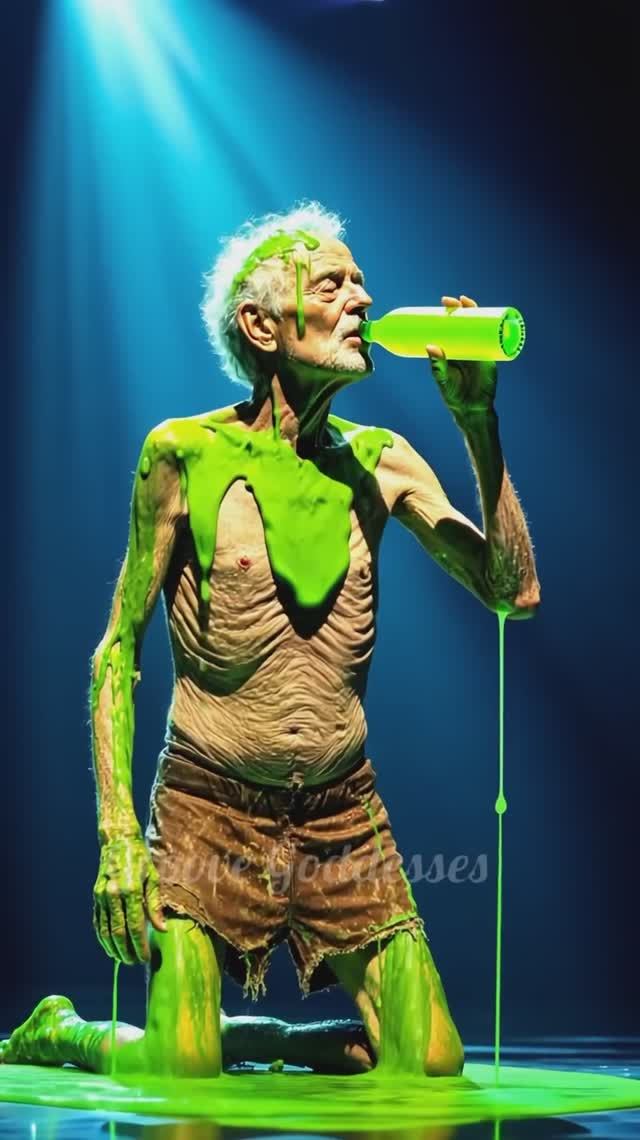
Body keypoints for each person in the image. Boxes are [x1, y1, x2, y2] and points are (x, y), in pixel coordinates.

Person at [0, 202, 540, 1079]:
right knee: (179, 1066)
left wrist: (478, 421)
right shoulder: (182, 455)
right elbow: (117, 650)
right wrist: (117, 835)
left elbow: (513, 594)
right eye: (332, 285)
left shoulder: (381, 460)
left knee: (433, 1062)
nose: (362, 300)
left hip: (341, 812)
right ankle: (61, 1031)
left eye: (361, 283)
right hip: (208, 802)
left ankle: (263, 1041)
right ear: (261, 325)